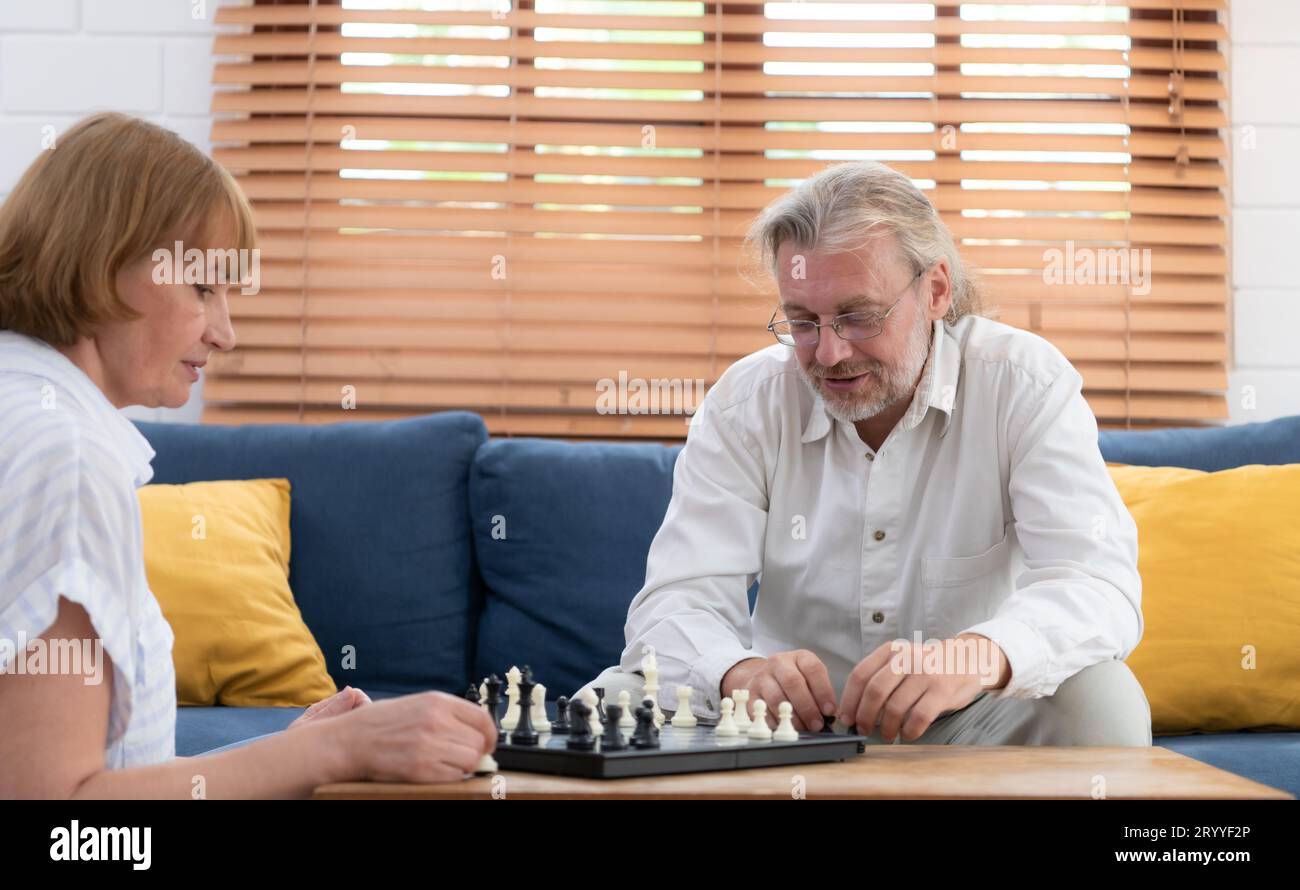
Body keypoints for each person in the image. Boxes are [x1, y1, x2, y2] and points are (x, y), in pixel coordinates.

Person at [0, 112, 495, 798]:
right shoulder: (66, 455)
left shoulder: (25, 414)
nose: (226, 333)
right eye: (204, 287)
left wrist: (283, 755)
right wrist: (334, 754)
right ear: (105, 262)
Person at [582, 161, 1152, 747]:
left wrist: (977, 656)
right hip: (782, 726)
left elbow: (1097, 583)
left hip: (967, 719)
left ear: (935, 290)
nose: (829, 354)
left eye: (858, 317)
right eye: (803, 321)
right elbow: (676, 600)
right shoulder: (744, 404)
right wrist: (739, 672)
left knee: (1101, 700)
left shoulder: (1023, 384)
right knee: (603, 705)